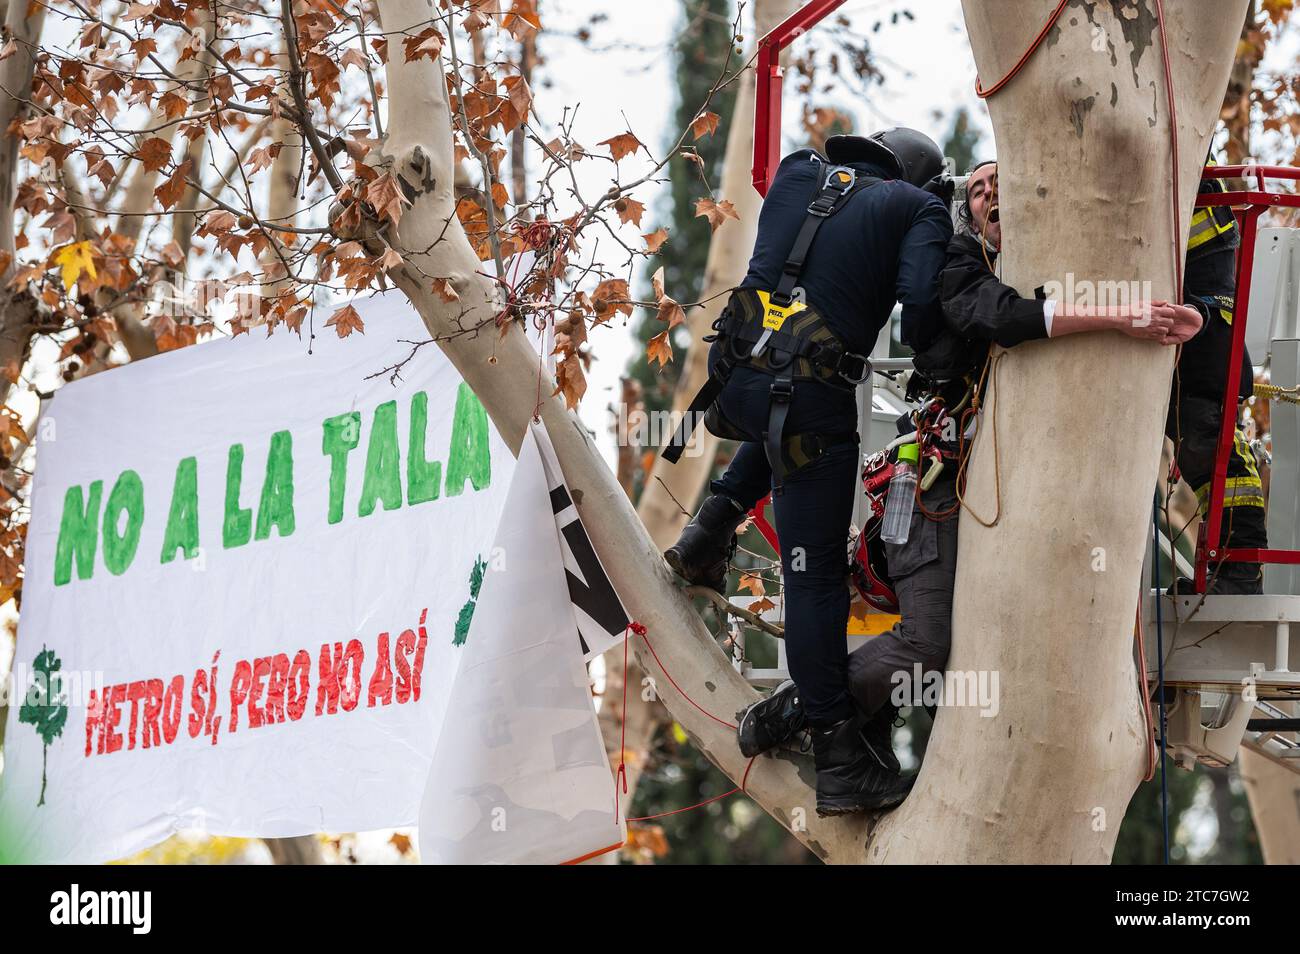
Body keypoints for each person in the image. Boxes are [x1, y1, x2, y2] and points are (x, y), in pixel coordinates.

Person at [732, 159, 1201, 790]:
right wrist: (1121, 316)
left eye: (1002, 183)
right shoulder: (955, 262)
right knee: (928, 645)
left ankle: (842, 721)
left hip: (1009, 499)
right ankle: (802, 712)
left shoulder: (1052, 268)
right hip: (933, 490)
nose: (988, 195)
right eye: (978, 189)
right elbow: (1001, 316)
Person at [661, 128, 953, 816]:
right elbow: (919, 313)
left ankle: (707, 531)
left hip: (737, 383)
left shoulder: (798, 172)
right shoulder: (915, 207)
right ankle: (840, 756)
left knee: (782, 411)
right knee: (815, 577)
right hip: (812, 412)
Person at [1168, 171, 1268, 594]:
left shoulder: (1194, 188)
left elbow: (1214, 281)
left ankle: (1241, 570)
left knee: (1217, 448)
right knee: (1197, 448)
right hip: (1188, 353)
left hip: (1208, 348)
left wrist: (1199, 312)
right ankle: (1229, 567)